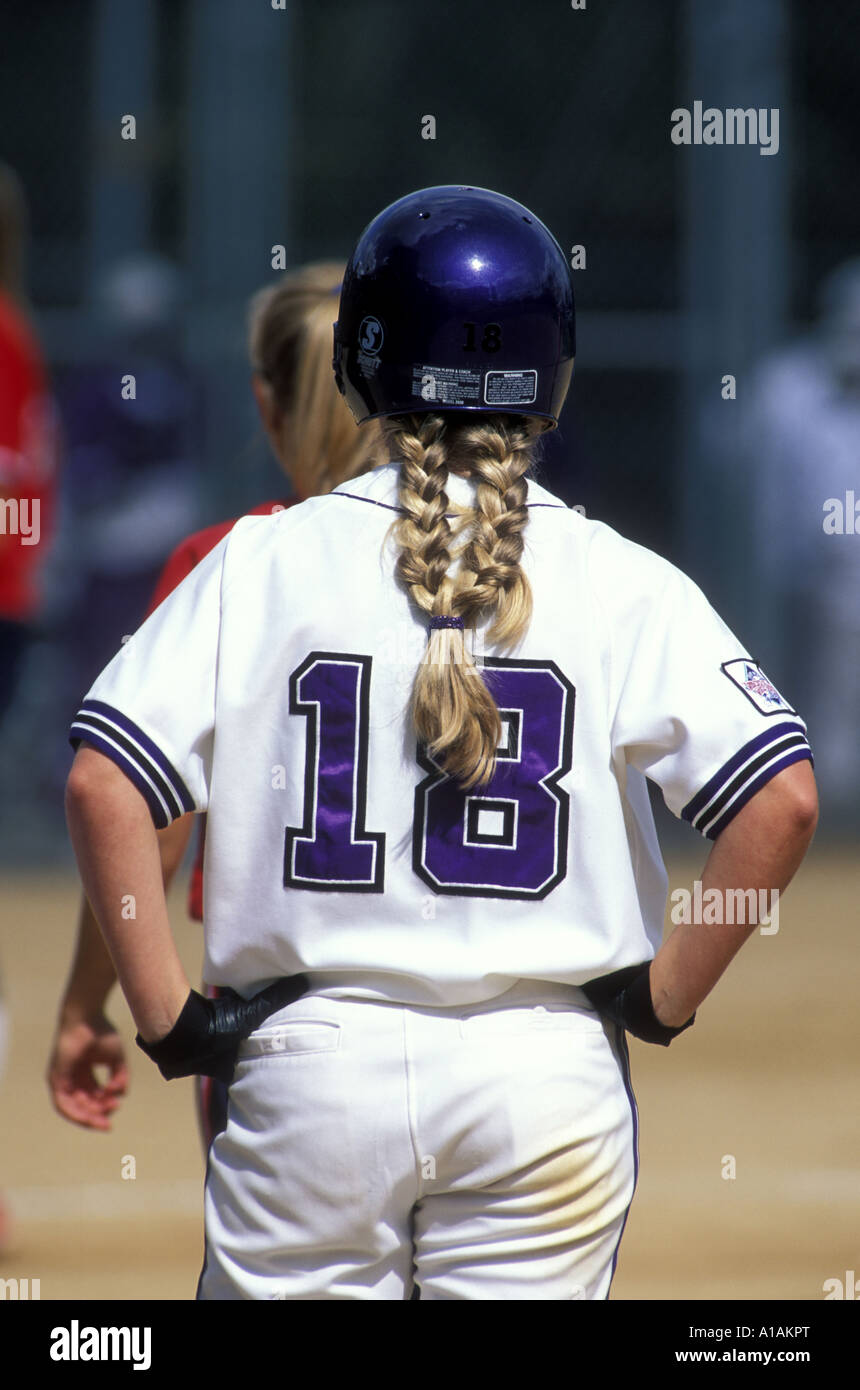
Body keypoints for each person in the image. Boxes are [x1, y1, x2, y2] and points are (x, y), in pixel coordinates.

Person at [63, 186, 818, 1301]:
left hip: (305, 1070)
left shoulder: (259, 562)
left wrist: (167, 1015)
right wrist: (663, 996)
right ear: (548, 373)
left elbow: (101, 781)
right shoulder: (620, 576)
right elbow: (782, 803)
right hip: (541, 1072)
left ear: (363, 363)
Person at [48, 262, 383, 1146]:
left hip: (278, 1028)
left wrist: (89, 1003)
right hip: (492, 1015)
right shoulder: (500, 556)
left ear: (266, 405)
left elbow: (140, 820)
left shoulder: (222, 566)